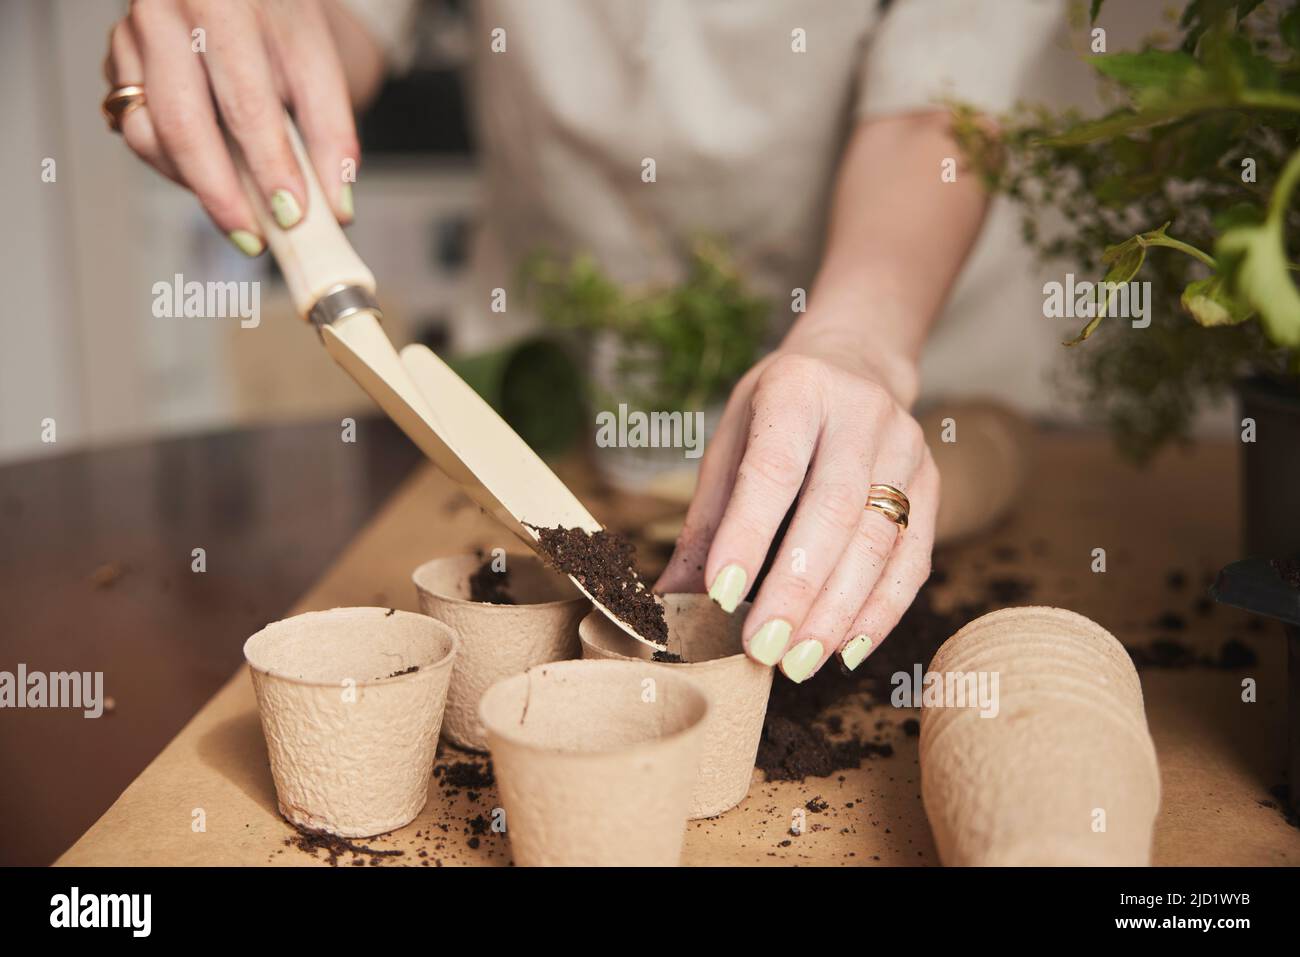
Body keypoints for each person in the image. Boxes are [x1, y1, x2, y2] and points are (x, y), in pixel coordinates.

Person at [102, 0, 1062, 683]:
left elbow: (944, 102)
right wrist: (248, 45)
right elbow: (338, 22)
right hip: (555, 393)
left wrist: (858, 340)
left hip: (900, 353)